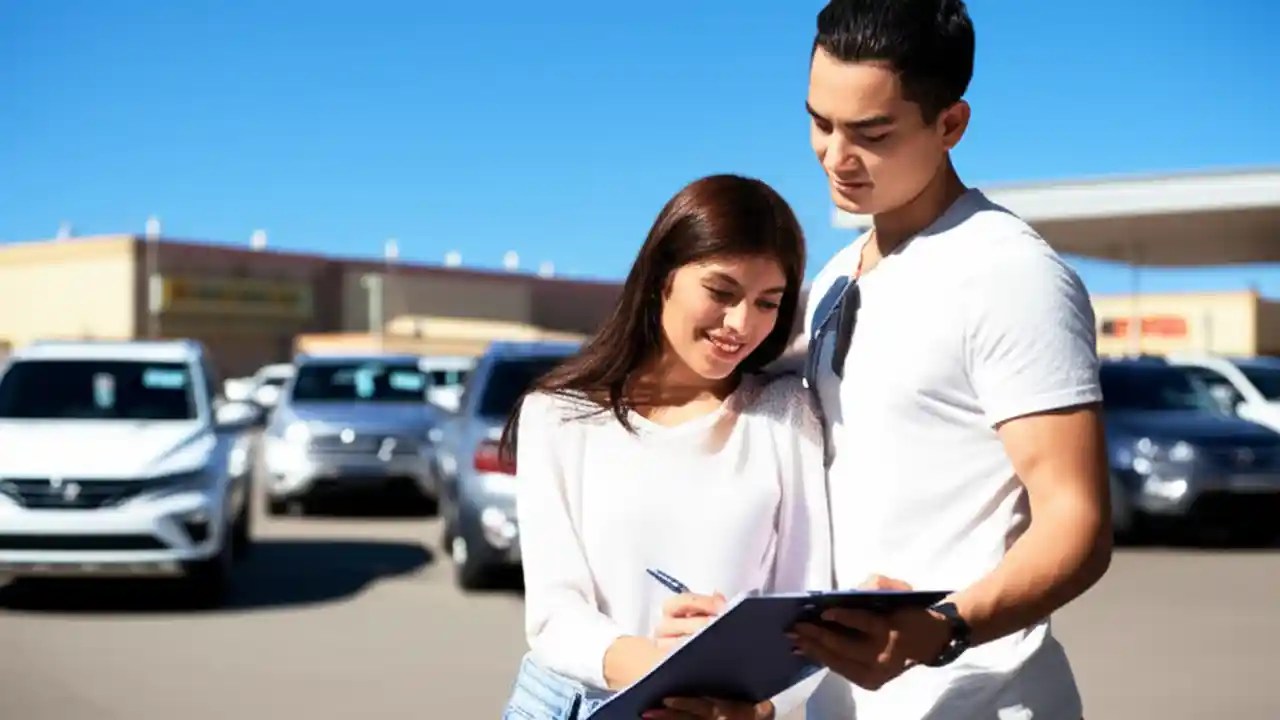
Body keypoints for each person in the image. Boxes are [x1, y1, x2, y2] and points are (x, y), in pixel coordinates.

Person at [785, 1, 1113, 718]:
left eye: (871, 133)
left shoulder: (1009, 274)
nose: (836, 157)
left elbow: (1076, 522)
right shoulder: (835, 275)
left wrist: (940, 631)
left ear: (950, 124)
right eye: (820, 122)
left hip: (980, 700)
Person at [499, 174, 833, 720]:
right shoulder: (557, 416)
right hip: (573, 705)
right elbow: (554, 614)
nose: (741, 324)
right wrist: (668, 666)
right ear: (661, 278)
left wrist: (744, 690)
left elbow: (807, 602)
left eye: (767, 303)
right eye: (721, 293)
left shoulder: (783, 416)